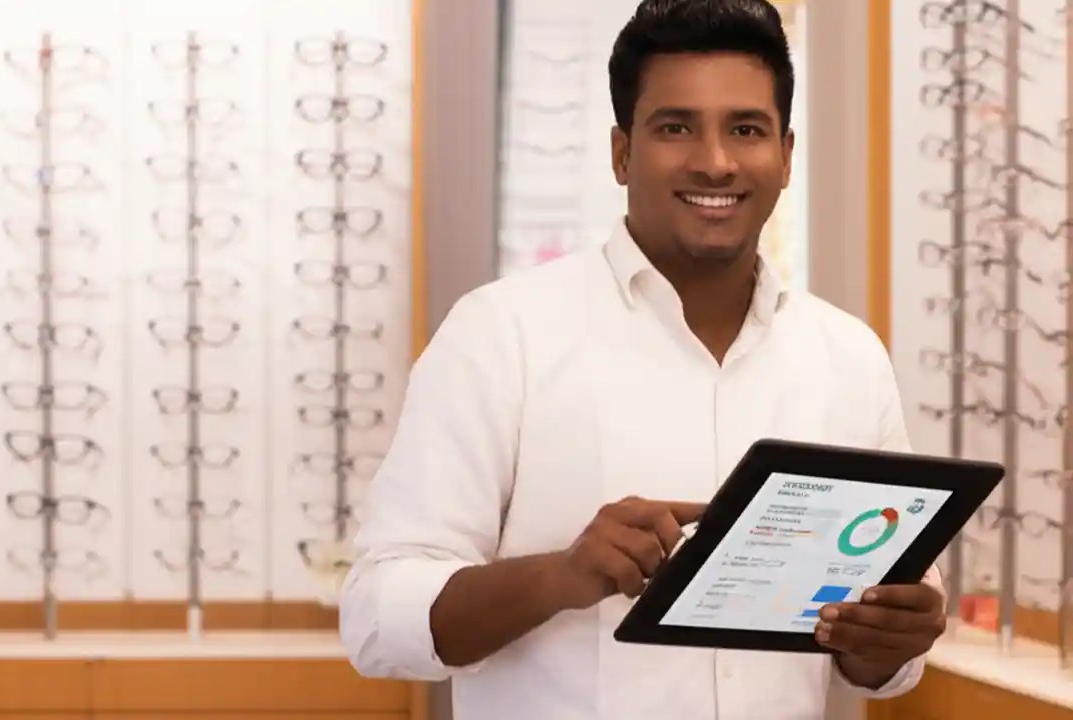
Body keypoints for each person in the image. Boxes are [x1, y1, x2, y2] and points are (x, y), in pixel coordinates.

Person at [339, 1, 946, 718]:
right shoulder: (501, 335)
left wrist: (890, 639)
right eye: (675, 127)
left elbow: (883, 657)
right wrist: (561, 578)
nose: (715, 162)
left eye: (745, 130)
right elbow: (377, 618)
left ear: (785, 155)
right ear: (622, 152)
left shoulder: (848, 357)